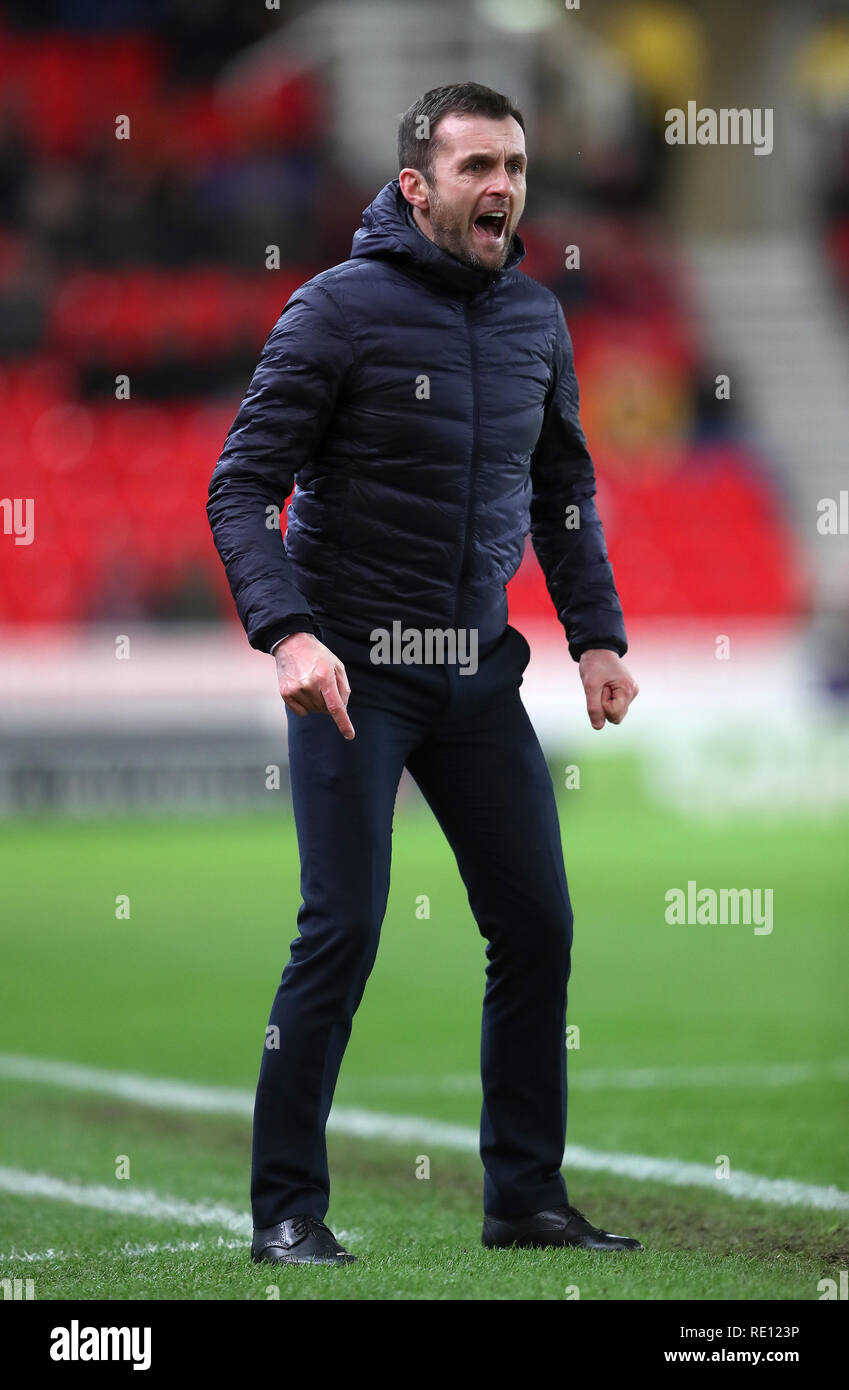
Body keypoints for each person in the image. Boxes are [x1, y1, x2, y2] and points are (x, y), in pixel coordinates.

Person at [207, 82, 641, 1266]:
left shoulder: (536, 321)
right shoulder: (334, 311)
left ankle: (526, 1199)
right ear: (416, 186)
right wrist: (287, 632)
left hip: (474, 673)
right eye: (475, 168)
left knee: (539, 925)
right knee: (341, 927)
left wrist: (595, 634)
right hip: (355, 674)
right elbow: (239, 488)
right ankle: (286, 1209)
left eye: (512, 165)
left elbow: (561, 490)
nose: (501, 187)